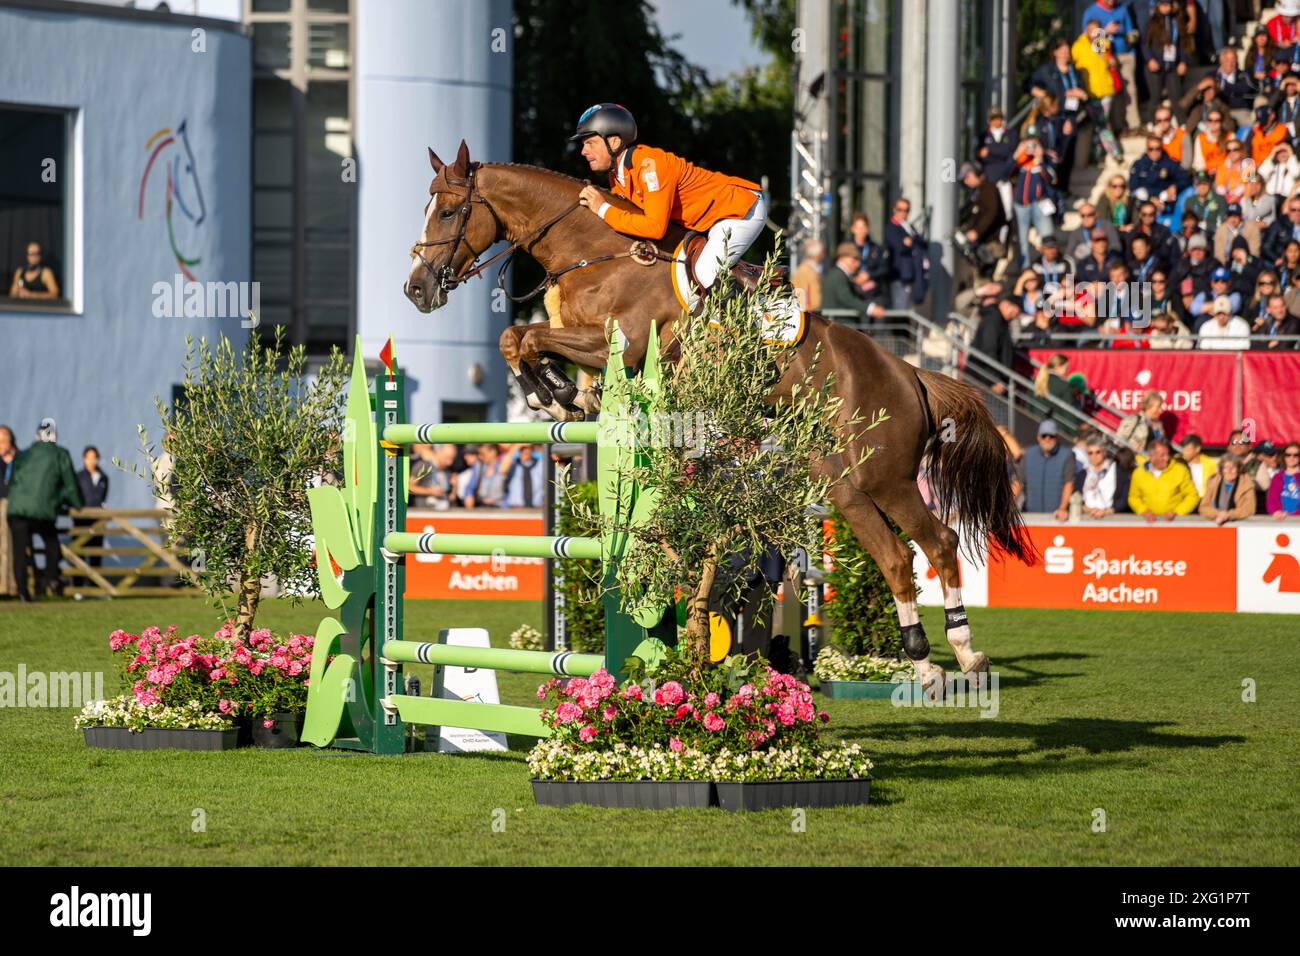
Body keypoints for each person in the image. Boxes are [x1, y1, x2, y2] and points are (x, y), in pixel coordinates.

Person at [572, 103, 764, 295]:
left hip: (739, 209)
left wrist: (603, 209)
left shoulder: (650, 166)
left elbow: (654, 227)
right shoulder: (617, 177)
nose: (583, 151)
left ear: (613, 142)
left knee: (706, 272)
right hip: (711, 220)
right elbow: (631, 222)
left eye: (590, 143)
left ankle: (752, 322)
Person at [5, 419, 83, 601]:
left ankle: (23, 592)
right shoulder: (59, 454)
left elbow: (14, 479)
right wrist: (78, 503)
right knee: (51, 543)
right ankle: (51, 579)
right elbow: (70, 485)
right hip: (42, 511)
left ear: (37, 436)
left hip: (16, 509)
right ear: (54, 436)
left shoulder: (24, 455)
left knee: (19, 552)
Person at [1081, 0, 1140, 133]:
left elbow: (1131, 33)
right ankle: (1111, 129)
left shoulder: (1122, 9)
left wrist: (1132, 51)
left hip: (1124, 56)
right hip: (1103, 67)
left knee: (1130, 92)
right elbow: (1090, 42)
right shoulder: (1090, 12)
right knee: (1111, 100)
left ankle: (1133, 126)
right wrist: (1105, 31)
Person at [1010, 133, 1058, 269]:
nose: (1031, 148)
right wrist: (1016, 155)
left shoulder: (1046, 158)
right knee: (1022, 240)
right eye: (1028, 144)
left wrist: (1041, 159)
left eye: (1034, 144)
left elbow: (1051, 178)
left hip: (1040, 204)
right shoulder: (1020, 160)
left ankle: (1050, 268)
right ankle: (1025, 270)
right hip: (1021, 205)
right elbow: (1004, 173)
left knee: (1047, 236)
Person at [1128, 437, 1199, 521]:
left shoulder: (1180, 470)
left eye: (1167, 454)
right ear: (1151, 457)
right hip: (1148, 525)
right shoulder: (1138, 473)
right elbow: (1133, 497)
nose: (1167, 458)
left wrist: (1177, 512)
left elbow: (1192, 496)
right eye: (1162, 455)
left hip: (1174, 524)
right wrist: (1143, 511)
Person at [1142, 0, 1191, 122]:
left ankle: (1181, 123)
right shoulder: (1151, 22)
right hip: (1156, 64)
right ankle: (1153, 123)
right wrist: (1149, 59)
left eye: (1168, 5)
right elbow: (1144, 43)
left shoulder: (1177, 20)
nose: (1167, 8)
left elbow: (1183, 43)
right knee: (1155, 96)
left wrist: (1183, 61)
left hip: (1172, 64)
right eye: (1163, 5)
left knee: (1176, 96)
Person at [1023, 419, 1076, 519]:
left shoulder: (1067, 455)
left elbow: (1069, 483)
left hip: (1056, 516)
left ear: (1056, 437)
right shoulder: (1029, 454)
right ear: (1038, 437)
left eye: (1051, 436)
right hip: (1031, 516)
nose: (1047, 439)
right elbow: (1018, 482)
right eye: (1044, 436)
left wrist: (1062, 508)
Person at [884, 197, 929, 309]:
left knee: (910, 309)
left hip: (913, 275)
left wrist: (911, 242)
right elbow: (901, 246)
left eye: (906, 210)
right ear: (894, 209)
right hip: (900, 276)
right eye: (900, 209)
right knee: (900, 309)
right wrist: (910, 242)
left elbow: (920, 243)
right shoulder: (891, 227)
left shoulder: (909, 227)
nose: (903, 213)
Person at [969, 294, 1019, 394]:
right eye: (1014, 312)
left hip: (986, 378)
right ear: (1005, 305)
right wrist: (994, 380)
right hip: (982, 379)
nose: (1014, 316)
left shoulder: (1000, 320)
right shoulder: (993, 320)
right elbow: (988, 350)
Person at [821, 243, 882, 323]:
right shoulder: (838, 275)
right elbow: (847, 298)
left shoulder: (839, 274)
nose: (857, 264)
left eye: (858, 260)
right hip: (839, 325)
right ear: (841, 258)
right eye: (854, 260)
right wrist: (870, 308)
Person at [74, 445, 109, 568]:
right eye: (88, 458)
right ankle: (78, 585)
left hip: (97, 522)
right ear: (84, 459)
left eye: (94, 458)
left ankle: (94, 586)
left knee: (96, 556)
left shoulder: (103, 478)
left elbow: (103, 499)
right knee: (79, 556)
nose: (91, 461)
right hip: (81, 522)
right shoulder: (78, 477)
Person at [1077, 440, 1131, 517]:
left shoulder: (1118, 471)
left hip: (1110, 518)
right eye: (1090, 453)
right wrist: (1085, 509)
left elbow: (1124, 497)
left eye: (1098, 452)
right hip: (1087, 517)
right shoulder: (1082, 474)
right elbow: (1077, 496)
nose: (1094, 456)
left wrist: (1109, 510)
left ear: (1104, 452)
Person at [1199, 455, 1256, 523]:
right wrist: (1218, 513)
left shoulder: (1247, 484)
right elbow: (1203, 507)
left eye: (1233, 467)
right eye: (1226, 467)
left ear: (1238, 469)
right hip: (1214, 523)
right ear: (1222, 470)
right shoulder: (1213, 483)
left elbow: (1249, 509)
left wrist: (1228, 515)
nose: (1229, 470)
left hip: (1239, 524)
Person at [459, 443, 508, 508]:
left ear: (493, 452)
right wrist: (469, 498)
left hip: (499, 507)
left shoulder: (503, 465)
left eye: (483, 454)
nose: (480, 457)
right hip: (481, 507)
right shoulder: (478, 466)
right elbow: (470, 487)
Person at [1116, 389, 1166, 453]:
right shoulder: (1134, 419)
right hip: (1135, 460)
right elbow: (1119, 441)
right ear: (1149, 406)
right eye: (1158, 407)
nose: (1160, 410)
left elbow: (1163, 444)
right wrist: (1130, 450)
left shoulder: (1159, 424)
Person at [409, 443, 456, 510]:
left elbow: (451, 498)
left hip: (442, 514)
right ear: (438, 452)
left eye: (452, 459)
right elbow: (409, 488)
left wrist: (454, 489)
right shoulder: (423, 466)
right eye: (447, 458)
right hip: (423, 514)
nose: (450, 462)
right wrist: (430, 491)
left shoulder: (448, 471)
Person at [0, 426, 16, 598]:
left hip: (13, 508)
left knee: (11, 550)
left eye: (4, 440)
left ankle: (10, 587)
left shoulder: (19, 459)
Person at [502, 444, 545, 508]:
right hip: (516, 508)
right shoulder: (514, 465)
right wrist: (517, 446)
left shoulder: (540, 464)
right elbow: (502, 470)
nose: (526, 452)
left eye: (529, 449)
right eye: (523, 449)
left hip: (537, 508)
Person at [1267, 441, 1300, 519]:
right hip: (1280, 520)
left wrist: (1293, 515)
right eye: (1288, 455)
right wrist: (1276, 512)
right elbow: (1271, 500)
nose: (1291, 458)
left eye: (1296, 455)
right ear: (1284, 457)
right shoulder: (1277, 477)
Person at [791, 239, 824, 312]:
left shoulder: (806, 270)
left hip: (806, 310)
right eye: (822, 252)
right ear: (817, 255)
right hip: (807, 312)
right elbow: (813, 300)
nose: (823, 255)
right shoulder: (806, 271)